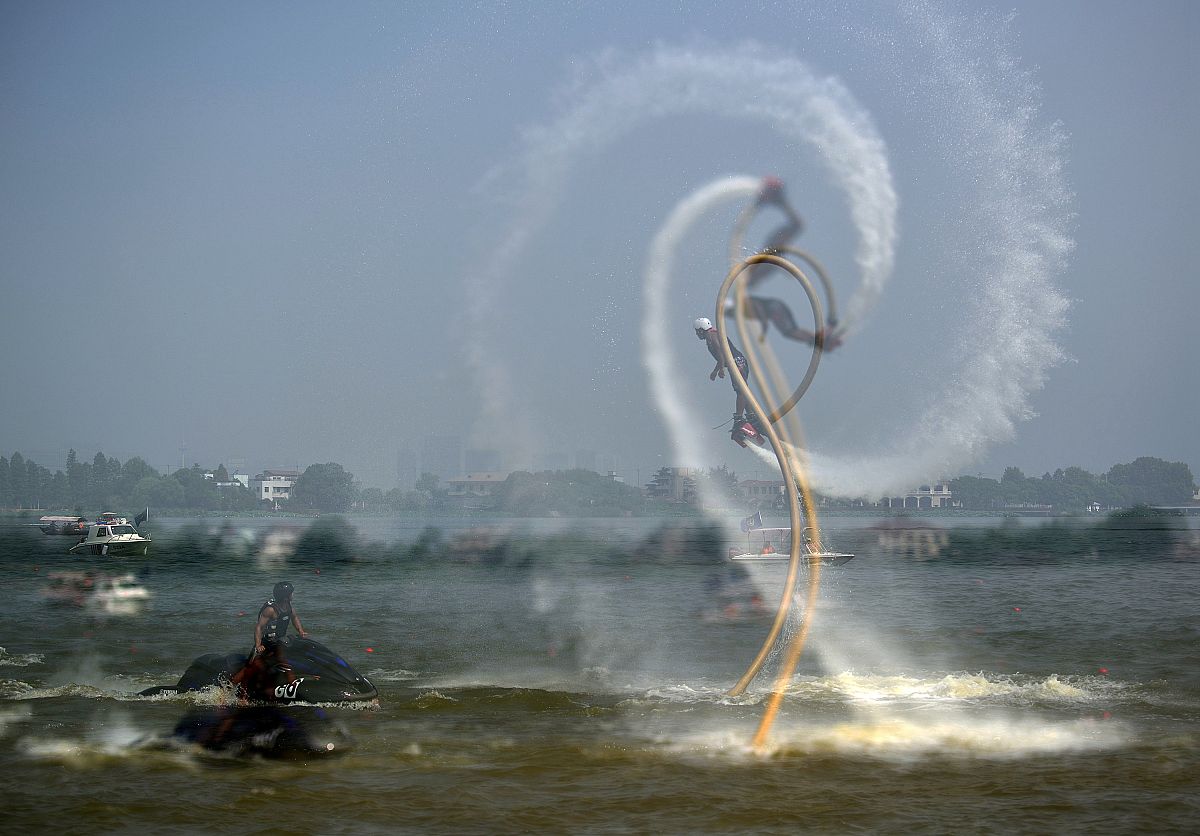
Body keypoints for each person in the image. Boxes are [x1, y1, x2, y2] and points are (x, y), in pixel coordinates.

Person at [735, 177, 841, 350]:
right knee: (796, 227)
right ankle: (773, 199)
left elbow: (760, 264)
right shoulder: (754, 279)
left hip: (771, 254)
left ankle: (773, 198)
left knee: (795, 227)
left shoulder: (754, 275)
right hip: (770, 257)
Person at [230, 581, 309, 698]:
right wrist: (258, 644)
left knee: (283, 662)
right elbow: (259, 627)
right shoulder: (271, 610)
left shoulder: (288, 606)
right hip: (265, 643)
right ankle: (232, 690)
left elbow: (294, 618)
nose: (293, 595)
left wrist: (301, 631)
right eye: (291, 593)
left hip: (277, 642)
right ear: (285, 596)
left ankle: (293, 687)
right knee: (250, 668)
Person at [695, 316, 753, 425]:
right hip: (738, 362)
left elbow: (721, 352)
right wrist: (715, 371)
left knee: (741, 391)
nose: (697, 335)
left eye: (697, 332)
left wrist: (721, 369)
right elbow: (720, 356)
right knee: (742, 391)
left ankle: (739, 419)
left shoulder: (711, 337)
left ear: (701, 330)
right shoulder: (713, 335)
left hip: (736, 363)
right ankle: (751, 416)